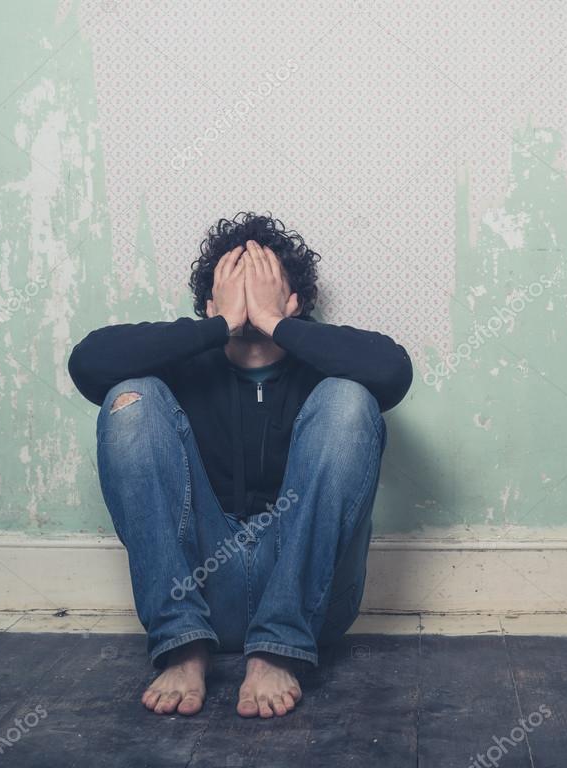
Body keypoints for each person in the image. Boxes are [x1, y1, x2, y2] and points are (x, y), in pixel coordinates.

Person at [67, 212, 412, 718]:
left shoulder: (325, 362)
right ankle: (182, 647)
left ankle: (277, 649)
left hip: (309, 600)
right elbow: (89, 363)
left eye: (265, 286)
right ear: (211, 302)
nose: (249, 299)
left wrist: (277, 326)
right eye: (234, 287)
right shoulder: (186, 358)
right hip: (202, 591)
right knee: (130, 397)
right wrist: (219, 327)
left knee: (349, 398)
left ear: (294, 301)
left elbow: (393, 371)